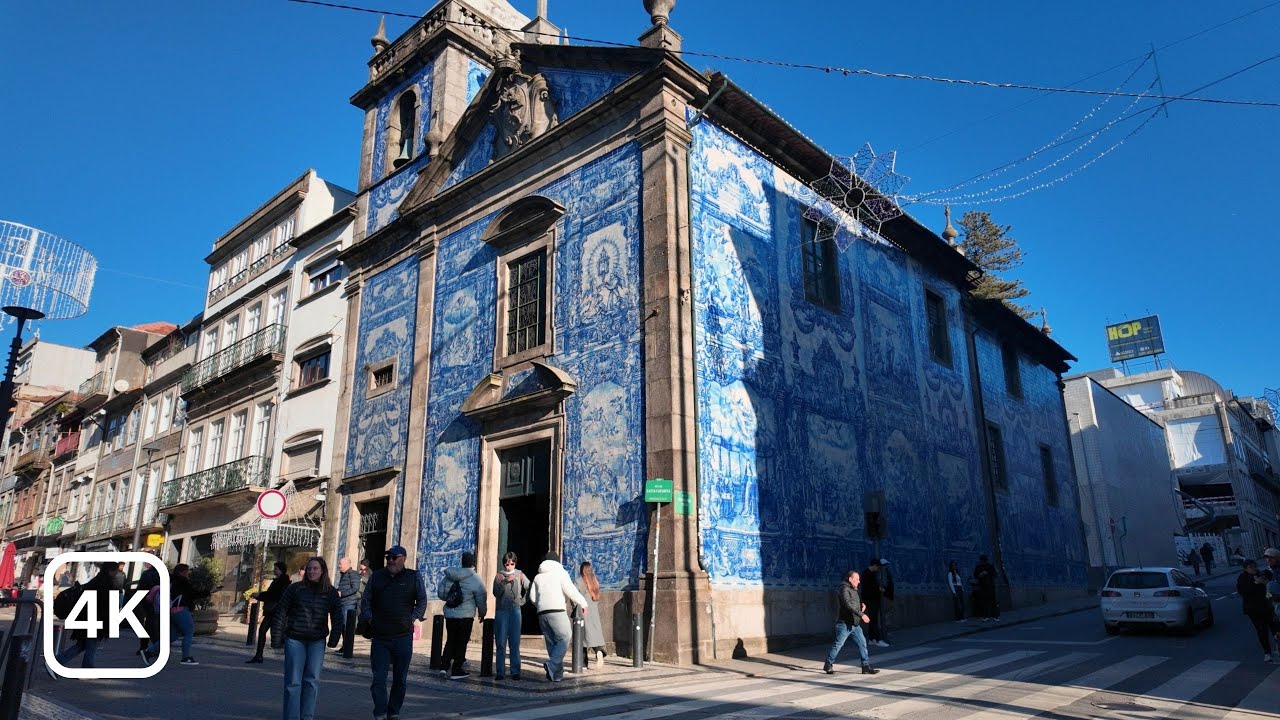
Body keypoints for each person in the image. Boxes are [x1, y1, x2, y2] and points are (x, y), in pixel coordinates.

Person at [271, 557, 343, 720]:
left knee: (312, 681)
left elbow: (337, 616)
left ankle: (307, 716)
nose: (311, 572)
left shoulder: (330, 591)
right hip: (295, 639)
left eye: (315, 569)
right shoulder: (295, 589)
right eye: (309, 569)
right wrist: (276, 637)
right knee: (293, 682)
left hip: (317, 641)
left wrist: (334, 638)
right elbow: (281, 611)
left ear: (322, 571)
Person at [360, 545, 427, 720]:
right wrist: (370, 619)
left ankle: (394, 712)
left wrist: (413, 618)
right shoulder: (377, 576)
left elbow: (422, 599)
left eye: (394, 557)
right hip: (380, 637)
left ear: (403, 559)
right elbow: (366, 600)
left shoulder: (414, 576)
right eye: (388, 557)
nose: (390, 560)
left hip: (403, 637)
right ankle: (380, 712)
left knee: (400, 679)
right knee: (379, 680)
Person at [528, 551, 588, 682]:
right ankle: (552, 664)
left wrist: (541, 604)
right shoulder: (561, 573)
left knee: (552, 644)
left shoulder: (538, 577)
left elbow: (532, 597)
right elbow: (570, 590)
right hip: (557, 611)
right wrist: (583, 603)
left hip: (542, 613)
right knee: (565, 636)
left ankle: (556, 675)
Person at [52, 562, 116, 672]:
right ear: (110, 571)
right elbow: (104, 606)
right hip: (95, 620)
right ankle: (87, 668)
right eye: (115, 571)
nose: (116, 574)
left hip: (87, 618)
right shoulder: (105, 585)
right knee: (90, 644)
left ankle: (58, 662)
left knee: (82, 645)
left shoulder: (95, 581)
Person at [436, 550, 487, 680]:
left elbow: (441, 594)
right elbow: (481, 598)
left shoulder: (449, 575)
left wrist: (451, 599)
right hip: (466, 616)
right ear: (473, 563)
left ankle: (443, 667)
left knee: (451, 640)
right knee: (461, 642)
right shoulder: (475, 578)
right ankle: (456, 670)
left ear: (462, 562)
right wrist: (482, 613)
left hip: (450, 615)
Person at [822, 570, 878, 675]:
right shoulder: (843, 589)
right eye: (857, 579)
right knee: (838, 644)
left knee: (862, 643)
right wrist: (862, 615)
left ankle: (865, 666)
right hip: (844, 623)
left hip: (855, 624)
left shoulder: (853, 589)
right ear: (850, 579)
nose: (859, 581)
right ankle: (828, 664)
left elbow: (854, 603)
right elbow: (848, 605)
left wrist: (862, 606)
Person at [144, 562, 200, 665]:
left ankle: (149, 651)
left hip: (171, 609)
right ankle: (185, 657)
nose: (188, 573)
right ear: (182, 572)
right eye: (187, 571)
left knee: (172, 636)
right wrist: (208, 592)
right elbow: (192, 594)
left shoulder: (170, 580)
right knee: (188, 632)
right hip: (181, 609)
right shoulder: (182, 581)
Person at [493, 551, 530, 680]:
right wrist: (504, 582)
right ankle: (500, 671)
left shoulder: (520, 575)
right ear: (504, 564)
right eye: (507, 564)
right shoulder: (499, 576)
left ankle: (515, 671)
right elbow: (495, 593)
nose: (509, 567)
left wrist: (523, 600)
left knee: (514, 642)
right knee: (501, 642)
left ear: (515, 563)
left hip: (515, 611)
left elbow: (530, 586)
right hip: (502, 611)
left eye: (512, 564)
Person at [247, 561, 290, 663]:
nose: (274, 570)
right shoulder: (279, 581)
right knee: (265, 631)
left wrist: (259, 596)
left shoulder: (282, 582)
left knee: (275, 633)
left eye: (276, 569)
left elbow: (274, 595)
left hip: (275, 611)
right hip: (273, 611)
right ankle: (259, 655)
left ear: (281, 570)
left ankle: (260, 655)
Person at [1236, 560, 1274, 662]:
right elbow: (1242, 592)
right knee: (1262, 630)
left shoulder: (1261, 573)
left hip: (1267, 606)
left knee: (1275, 627)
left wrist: (1265, 581)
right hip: (1253, 609)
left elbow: (1272, 581)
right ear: (1246, 568)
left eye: (1254, 566)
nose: (1253, 569)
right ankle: (1267, 652)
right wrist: (1255, 583)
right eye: (1251, 567)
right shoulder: (1242, 578)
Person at [574, 561, 606, 667]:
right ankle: (599, 651)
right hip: (594, 611)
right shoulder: (595, 581)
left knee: (582, 637)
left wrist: (574, 607)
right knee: (594, 634)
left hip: (583, 611)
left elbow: (574, 596)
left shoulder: (578, 581)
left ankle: (583, 663)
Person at [861, 559, 886, 646]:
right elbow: (868, 588)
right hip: (870, 599)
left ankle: (872, 639)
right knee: (874, 620)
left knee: (872, 619)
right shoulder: (866, 574)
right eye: (878, 567)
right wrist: (878, 589)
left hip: (872, 599)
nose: (878, 568)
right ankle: (878, 640)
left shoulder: (871, 573)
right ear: (874, 565)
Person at [335, 557, 360, 641]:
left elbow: (355, 588)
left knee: (347, 626)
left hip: (349, 604)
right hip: (342, 603)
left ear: (347, 565)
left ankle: (347, 647)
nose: (339, 566)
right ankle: (345, 645)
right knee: (342, 625)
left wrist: (342, 594)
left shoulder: (353, 574)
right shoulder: (344, 574)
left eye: (340, 564)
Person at [973, 555, 999, 622]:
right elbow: (975, 575)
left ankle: (995, 616)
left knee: (992, 601)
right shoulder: (978, 567)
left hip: (990, 586)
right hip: (983, 586)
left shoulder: (990, 566)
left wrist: (987, 573)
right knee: (984, 601)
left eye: (983, 561)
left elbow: (995, 574)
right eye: (982, 561)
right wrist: (980, 575)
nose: (982, 562)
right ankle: (986, 616)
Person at [878, 558, 895, 644]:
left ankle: (885, 631)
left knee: (887, 614)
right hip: (886, 597)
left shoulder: (885, 573)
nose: (886, 566)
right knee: (885, 616)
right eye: (885, 565)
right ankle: (883, 632)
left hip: (889, 596)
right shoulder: (882, 573)